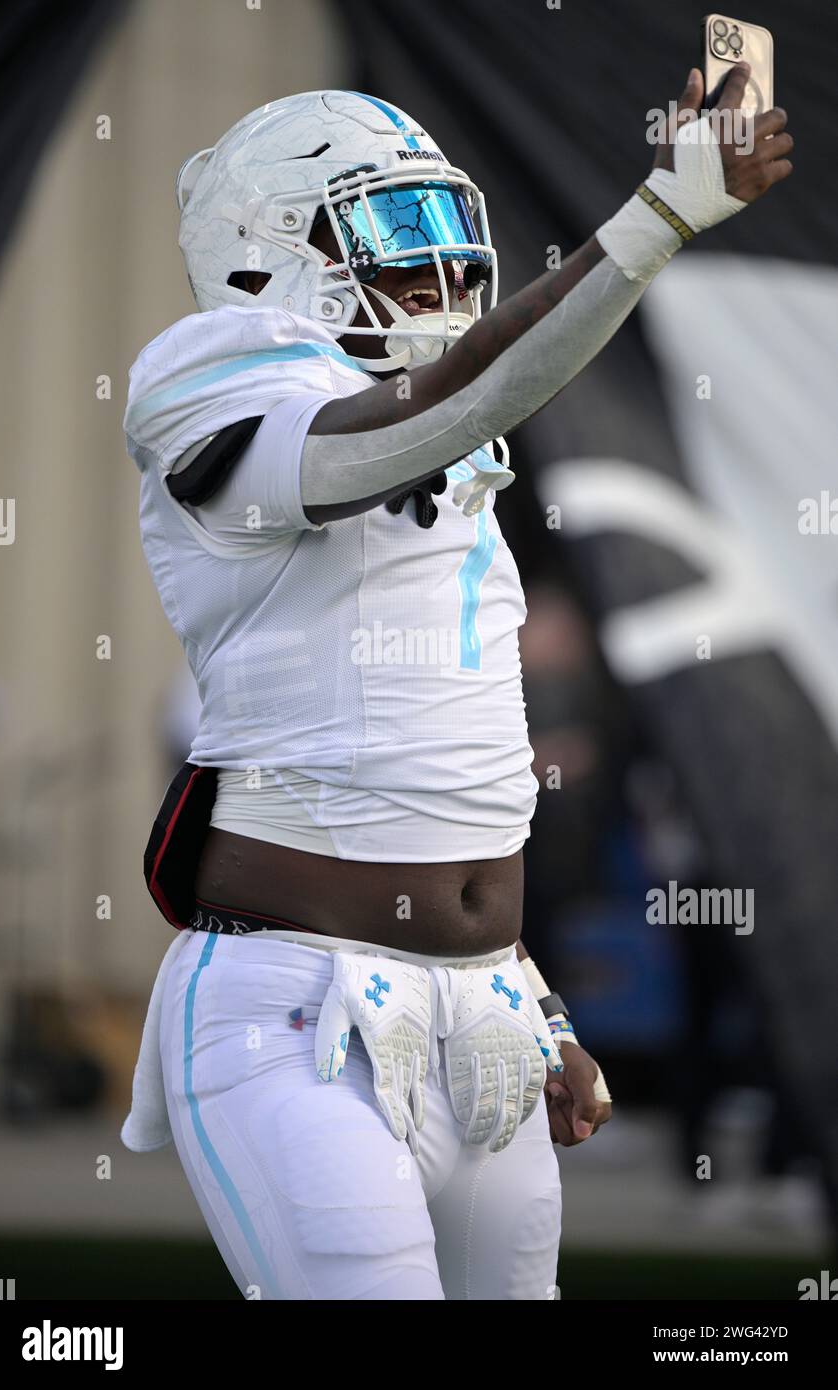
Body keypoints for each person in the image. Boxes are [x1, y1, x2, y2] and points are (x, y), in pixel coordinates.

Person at [121, 70, 792, 1300]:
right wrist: (655, 216)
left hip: (480, 1014)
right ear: (268, 257)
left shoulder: (457, 438)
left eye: (442, 228)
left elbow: (442, 772)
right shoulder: (210, 375)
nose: (433, 272)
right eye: (389, 233)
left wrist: (530, 1004)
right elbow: (404, 423)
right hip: (295, 1010)